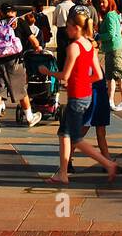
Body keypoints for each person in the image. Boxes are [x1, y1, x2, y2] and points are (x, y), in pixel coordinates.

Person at [41, 10, 118, 186]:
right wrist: (83, 81)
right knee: (65, 134)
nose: (66, 30)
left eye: (68, 27)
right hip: (87, 95)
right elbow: (98, 75)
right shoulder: (89, 45)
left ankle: (107, 164)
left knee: (74, 137)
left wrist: (47, 72)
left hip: (76, 97)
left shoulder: (73, 47)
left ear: (76, 28)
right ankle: (63, 173)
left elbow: (65, 75)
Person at [0, 4, 41, 131]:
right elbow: (33, 40)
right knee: (21, 90)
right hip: (14, 62)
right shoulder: (19, 22)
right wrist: (38, 48)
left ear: (1, 13)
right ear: (14, 12)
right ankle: (30, 117)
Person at [96, 0, 122, 112]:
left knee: (118, 75)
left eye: (103, 2)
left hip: (115, 49)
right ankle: (110, 100)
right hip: (110, 49)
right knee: (110, 77)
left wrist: (98, 37)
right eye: (100, 2)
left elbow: (111, 34)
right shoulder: (111, 15)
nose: (101, 4)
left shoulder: (110, 15)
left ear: (109, 2)